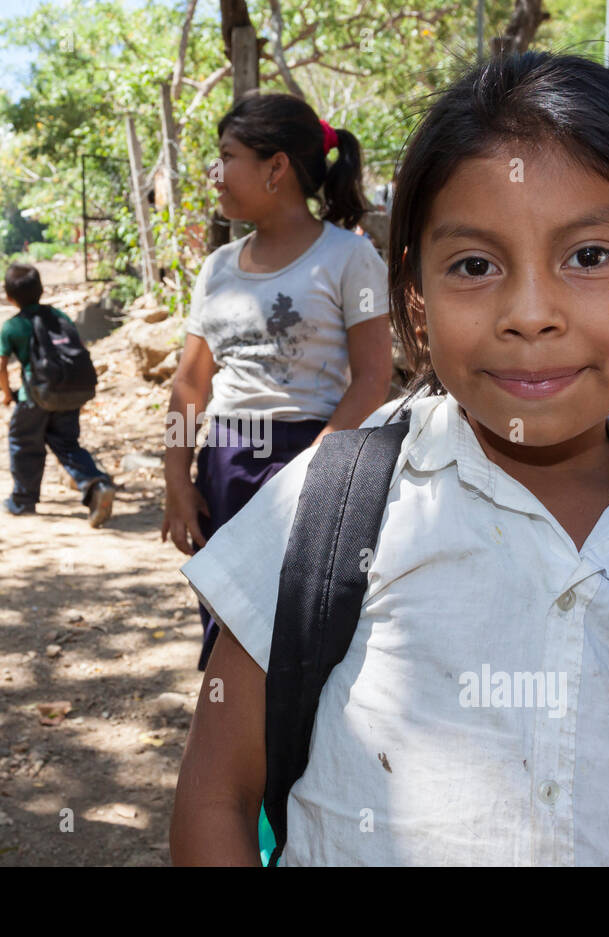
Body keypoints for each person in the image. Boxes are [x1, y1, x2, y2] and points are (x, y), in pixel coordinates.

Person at [171, 52, 609, 866]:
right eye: (475, 265)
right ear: (416, 301)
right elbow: (215, 794)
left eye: (589, 258)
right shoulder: (324, 511)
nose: (530, 314)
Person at [160, 92, 392, 670]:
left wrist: (315, 470)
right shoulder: (218, 267)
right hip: (226, 464)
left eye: (226, 157)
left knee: (297, 637)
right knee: (226, 627)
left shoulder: (349, 259)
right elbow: (191, 383)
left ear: (276, 167)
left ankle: (288, 759)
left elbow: (372, 377)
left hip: (313, 457)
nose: (214, 175)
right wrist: (177, 478)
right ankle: (231, 751)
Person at [0, 262, 115, 526]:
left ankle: (22, 500)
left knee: (23, 443)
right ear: (42, 290)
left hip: (33, 399)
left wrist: (7, 394)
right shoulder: (60, 317)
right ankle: (96, 486)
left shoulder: (12, 327)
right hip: (68, 393)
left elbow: (0, 366)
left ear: (9, 296)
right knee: (67, 445)